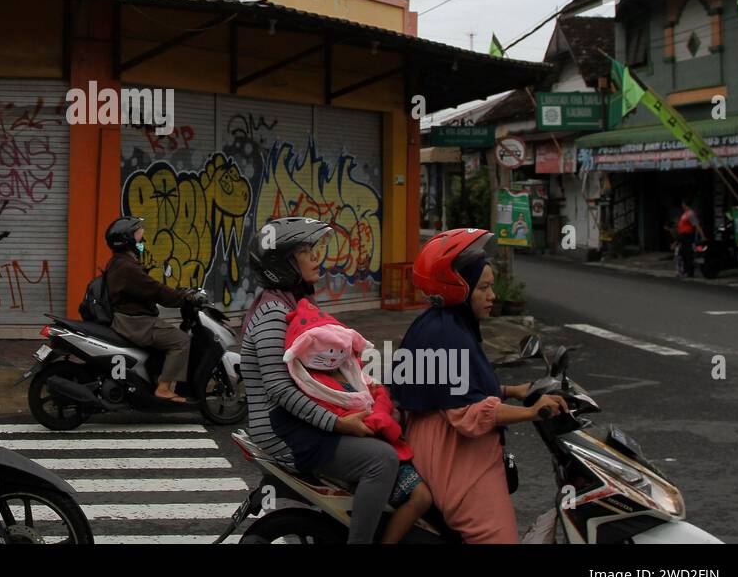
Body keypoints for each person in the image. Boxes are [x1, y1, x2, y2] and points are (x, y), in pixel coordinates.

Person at [395, 228, 568, 544]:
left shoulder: (441, 324)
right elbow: (466, 413)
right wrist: (530, 411)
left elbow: (456, 385)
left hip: (436, 440)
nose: (493, 296)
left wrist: (511, 391)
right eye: (484, 288)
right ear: (459, 289)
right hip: (453, 454)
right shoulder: (446, 335)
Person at [239, 215, 400, 544]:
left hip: (295, 422)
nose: (315, 256)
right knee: (381, 461)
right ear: (282, 263)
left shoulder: (292, 302)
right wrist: (340, 425)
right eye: (305, 250)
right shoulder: (273, 313)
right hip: (281, 429)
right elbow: (279, 390)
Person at [281, 298, 433, 544]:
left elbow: (377, 392)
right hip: (349, 443)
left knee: (422, 491)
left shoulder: (349, 368)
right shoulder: (313, 383)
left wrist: (382, 410)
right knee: (412, 487)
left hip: (375, 436)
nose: (333, 354)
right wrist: (380, 418)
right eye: (327, 348)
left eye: (338, 347)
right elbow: (355, 416)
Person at [102, 215, 205, 402]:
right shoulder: (127, 267)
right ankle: (164, 388)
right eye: (138, 235)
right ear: (127, 240)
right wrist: (185, 297)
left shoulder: (120, 262)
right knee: (181, 341)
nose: (143, 240)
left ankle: (155, 377)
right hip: (136, 322)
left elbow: (149, 288)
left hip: (130, 318)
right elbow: (156, 290)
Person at [675, 199, 705, 278]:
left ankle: (689, 272)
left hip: (687, 236)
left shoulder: (691, 213)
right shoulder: (685, 214)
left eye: (683, 204)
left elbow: (696, 225)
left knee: (687, 254)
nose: (682, 206)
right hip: (682, 236)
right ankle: (685, 271)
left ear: (685, 204)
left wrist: (702, 236)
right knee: (682, 254)